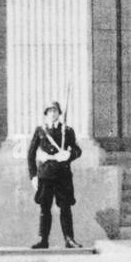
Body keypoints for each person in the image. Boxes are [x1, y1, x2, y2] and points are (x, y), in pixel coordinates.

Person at [27, 102, 83, 249]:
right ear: (46, 114)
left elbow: (78, 150)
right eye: (49, 111)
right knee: (45, 208)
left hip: (62, 174)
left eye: (55, 111)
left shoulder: (67, 131)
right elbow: (30, 154)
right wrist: (33, 176)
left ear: (59, 113)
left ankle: (69, 239)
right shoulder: (40, 131)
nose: (52, 114)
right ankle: (43, 239)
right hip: (45, 175)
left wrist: (69, 155)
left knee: (65, 207)